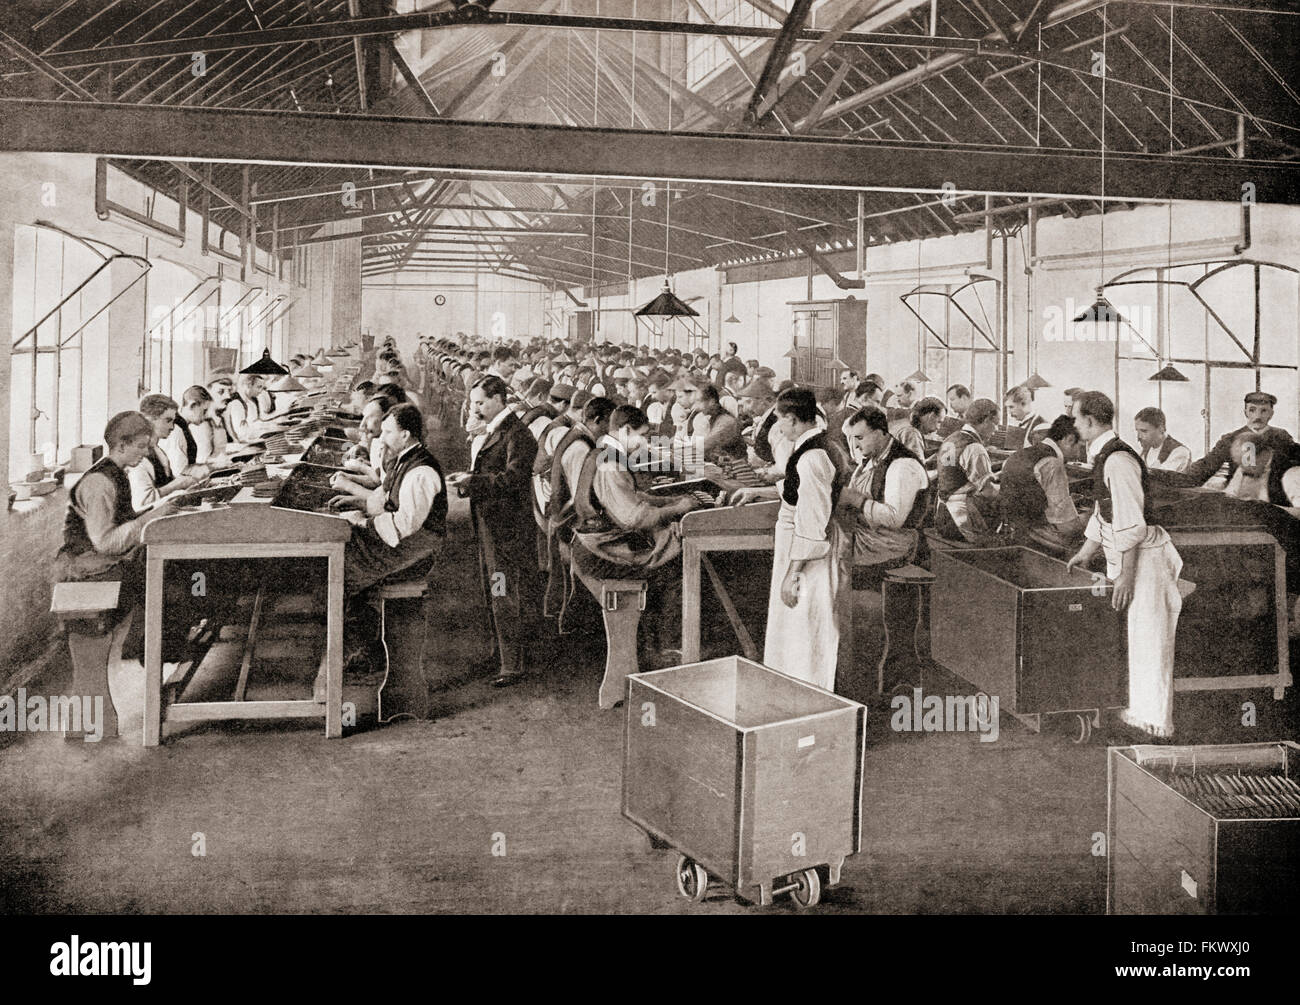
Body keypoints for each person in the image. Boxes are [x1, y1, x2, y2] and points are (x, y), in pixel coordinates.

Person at [1067, 391, 1184, 740]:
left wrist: (1127, 578)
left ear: (1090, 421)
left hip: (1146, 562)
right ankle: (1136, 716)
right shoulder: (1105, 455)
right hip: (1133, 558)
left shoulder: (1117, 460)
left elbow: (1132, 525)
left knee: (1149, 641)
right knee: (1135, 640)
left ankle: (1154, 727)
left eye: (1076, 419)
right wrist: (1087, 551)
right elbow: (1107, 513)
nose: (1073, 425)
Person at [729, 388, 846, 692]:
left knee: (806, 626)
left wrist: (792, 575)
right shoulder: (809, 448)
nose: (778, 427)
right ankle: (790, 693)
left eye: (780, 421)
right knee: (794, 625)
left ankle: (811, 697)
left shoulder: (812, 457)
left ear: (793, 420)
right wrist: (760, 492)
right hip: (797, 544)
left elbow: (812, 522)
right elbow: (796, 495)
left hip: (808, 554)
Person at [570, 405, 701, 665]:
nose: (644, 442)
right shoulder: (610, 462)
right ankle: (668, 650)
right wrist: (677, 509)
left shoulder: (604, 451)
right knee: (678, 569)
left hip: (595, 543)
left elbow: (633, 497)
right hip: (601, 550)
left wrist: (669, 501)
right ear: (626, 430)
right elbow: (634, 517)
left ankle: (655, 643)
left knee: (669, 551)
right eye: (642, 435)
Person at [447, 375, 541, 688]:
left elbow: (513, 480)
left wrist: (473, 482)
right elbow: (488, 471)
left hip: (507, 530)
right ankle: (499, 654)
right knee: (494, 590)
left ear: (499, 398)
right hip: (492, 524)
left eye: (479, 402)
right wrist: (470, 477)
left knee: (504, 593)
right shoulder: (494, 431)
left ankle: (512, 664)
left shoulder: (518, 434)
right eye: (473, 402)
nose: (474, 408)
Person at [54, 411, 179, 614]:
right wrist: (151, 517)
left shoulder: (117, 473)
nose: (146, 453)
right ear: (121, 446)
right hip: (86, 573)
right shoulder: (99, 483)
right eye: (141, 446)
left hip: (104, 566)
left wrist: (159, 512)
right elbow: (106, 543)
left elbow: (122, 521)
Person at [330, 403, 447, 596]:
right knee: (346, 547)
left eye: (388, 432)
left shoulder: (421, 472)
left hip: (419, 547)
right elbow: (387, 499)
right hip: (405, 539)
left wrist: (362, 522)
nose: (381, 438)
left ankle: (349, 615)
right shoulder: (404, 458)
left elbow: (405, 524)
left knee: (343, 563)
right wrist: (358, 503)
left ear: (405, 435)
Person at [839, 406, 928, 575]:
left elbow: (894, 519)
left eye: (859, 438)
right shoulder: (871, 459)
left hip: (891, 543)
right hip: (867, 534)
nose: (856, 446)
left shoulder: (902, 465)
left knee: (825, 554)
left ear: (880, 433)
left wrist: (856, 500)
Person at [998, 414, 1086, 553]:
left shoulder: (1019, 454)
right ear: (1069, 439)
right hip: (1036, 541)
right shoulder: (1052, 463)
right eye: (1080, 447)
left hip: (1010, 533)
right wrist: (1090, 518)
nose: (1078, 455)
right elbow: (1067, 526)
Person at [1179, 391, 1292, 487]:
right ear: (1245, 413)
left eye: (1263, 411)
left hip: (1274, 501)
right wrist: (1177, 479)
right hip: (1240, 499)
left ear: (1271, 414)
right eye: (1252, 410)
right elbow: (1206, 466)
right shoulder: (1231, 439)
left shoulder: (1282, 437)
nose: (1257, 416)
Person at [935, 397, 1001, 544]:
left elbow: (958, 478)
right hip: (960, 521)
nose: (996, 430)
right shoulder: (975, 448)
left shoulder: (951, 438)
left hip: (943, 516)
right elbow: (988, 492)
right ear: (985, 421)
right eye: (995, 423)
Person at [129, 395, 206, 509]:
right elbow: (143, 504)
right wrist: (178, 484)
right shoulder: (137, 459)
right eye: (168, 421)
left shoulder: (158, 451)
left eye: (173, 421)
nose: (172, 427)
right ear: (149, 420)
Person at [1223, 430, 1300, 505]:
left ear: (1264, 454)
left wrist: (1268, 509)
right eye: (1240, 464)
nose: (1242, 469)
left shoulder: (1292, 474)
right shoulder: (1245, 467)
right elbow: (1230, 497)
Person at [164, 385, 221, 474]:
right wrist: (213, 467)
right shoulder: (176, 430)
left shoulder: (184, 427)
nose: (207, 415)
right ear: (192, 405)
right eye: (204, 411)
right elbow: (180, 472)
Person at [1133, 406, 1191, 473]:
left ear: (1161, 429)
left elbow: (1160, 480)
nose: (1138, 437)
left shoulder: (1179, 452)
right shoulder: (1145, 451)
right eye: (1137, 431)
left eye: (1144, 431)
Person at [891, 396, 943, 461]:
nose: (938, 427)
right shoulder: (911, 433)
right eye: (939, 422)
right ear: (931, 416)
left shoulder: (905, 423)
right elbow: (917, 466)